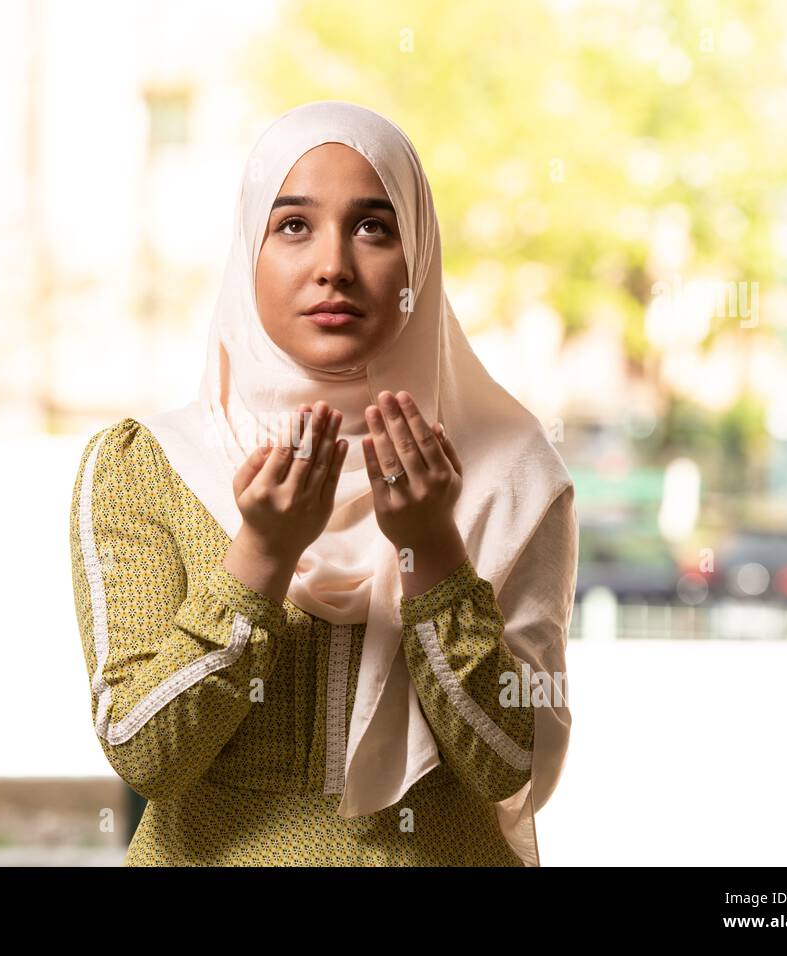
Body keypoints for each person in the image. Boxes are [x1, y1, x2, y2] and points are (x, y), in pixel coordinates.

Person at [69, 100, 578, 866]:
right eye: (294, 226)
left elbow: (509, 765)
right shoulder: (151, 464)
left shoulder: (510, 468)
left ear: (419, 256)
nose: (333, 265)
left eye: (374, 226)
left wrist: (430, 549)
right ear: (251, 252)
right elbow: (146, 756)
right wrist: (263, 555)